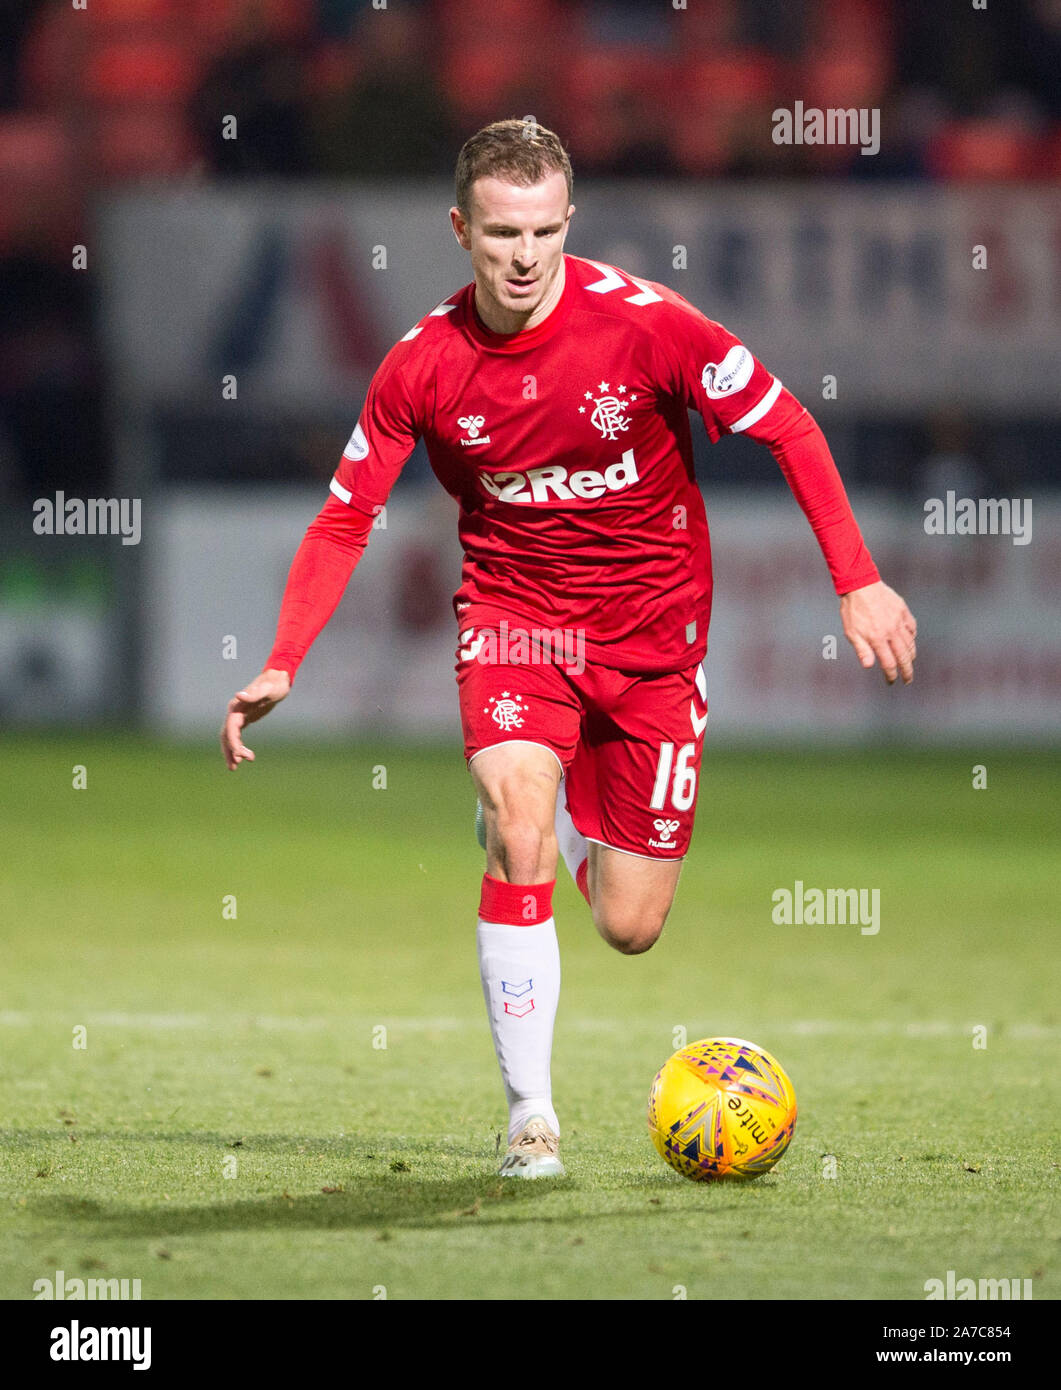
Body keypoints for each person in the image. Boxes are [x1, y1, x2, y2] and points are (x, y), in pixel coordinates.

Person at [220, 118, 917, 1179]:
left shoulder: (648, 329)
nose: (524, 255)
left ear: (568, 222)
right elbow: (342, 516)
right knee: (516, 828)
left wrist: (856, 578)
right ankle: (530, 1119)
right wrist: (284, 656)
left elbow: (790, 428)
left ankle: (559, 831)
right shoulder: (423, 363)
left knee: (631, 928)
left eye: (544, 230)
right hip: (514, 624)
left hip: (651, 646)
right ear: (461, 228)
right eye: (501, 232)